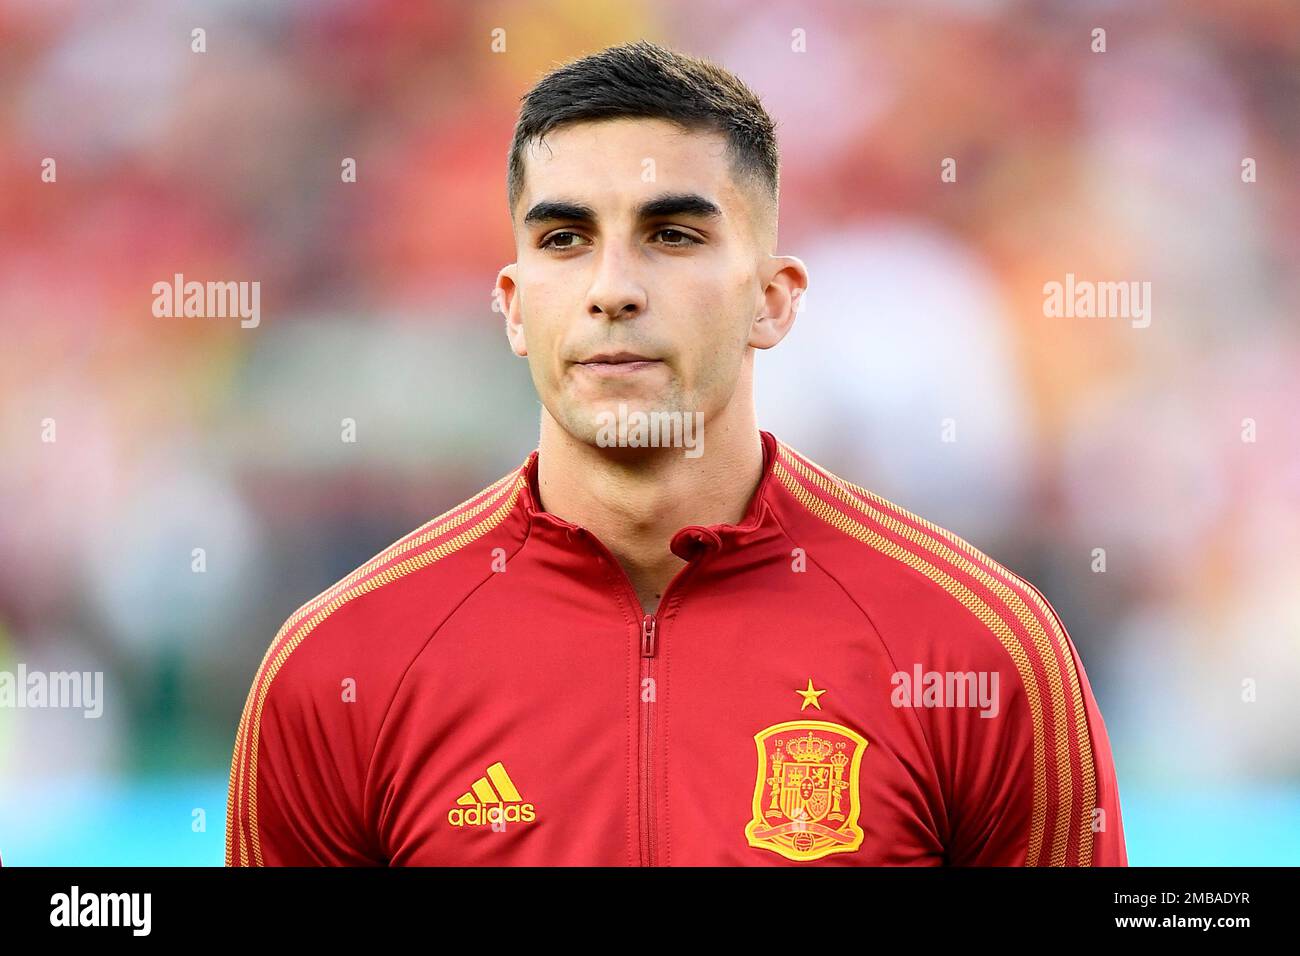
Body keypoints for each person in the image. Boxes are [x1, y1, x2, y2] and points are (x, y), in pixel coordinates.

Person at [226, 40, 1126, 866]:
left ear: (773, 300)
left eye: (673, 235)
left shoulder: (980, 649)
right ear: (511, 304)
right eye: (565, 240)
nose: (613, 289)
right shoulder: (340, 665)